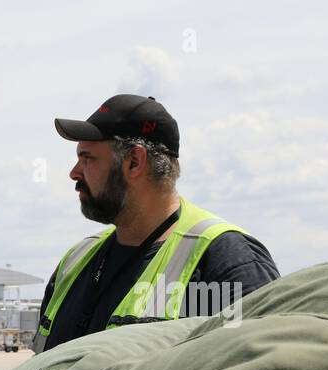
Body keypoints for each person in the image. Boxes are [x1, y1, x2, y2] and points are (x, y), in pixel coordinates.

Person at [35, 94, 280, 352]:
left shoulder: (217, 262)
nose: (74, 172)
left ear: (134, 162)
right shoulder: (75, 261)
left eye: (87, 159)